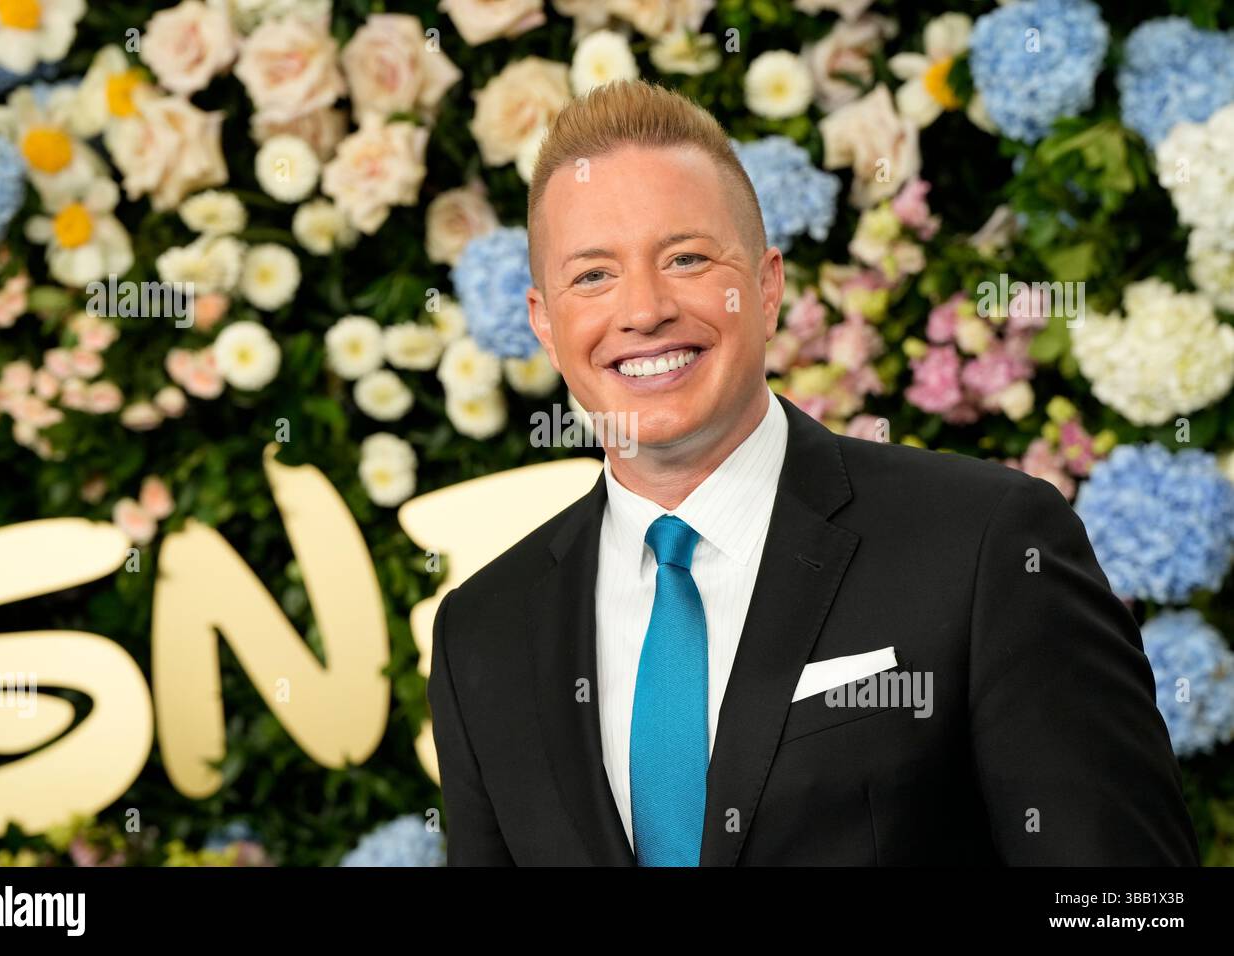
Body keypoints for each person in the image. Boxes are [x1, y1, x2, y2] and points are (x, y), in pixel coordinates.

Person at [426, 78, 1199, 866]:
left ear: (766, 288)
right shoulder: (481, 635)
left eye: (687, 258)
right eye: (593, 276)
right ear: (545, 326)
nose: (644, 309)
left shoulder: (987, 547)